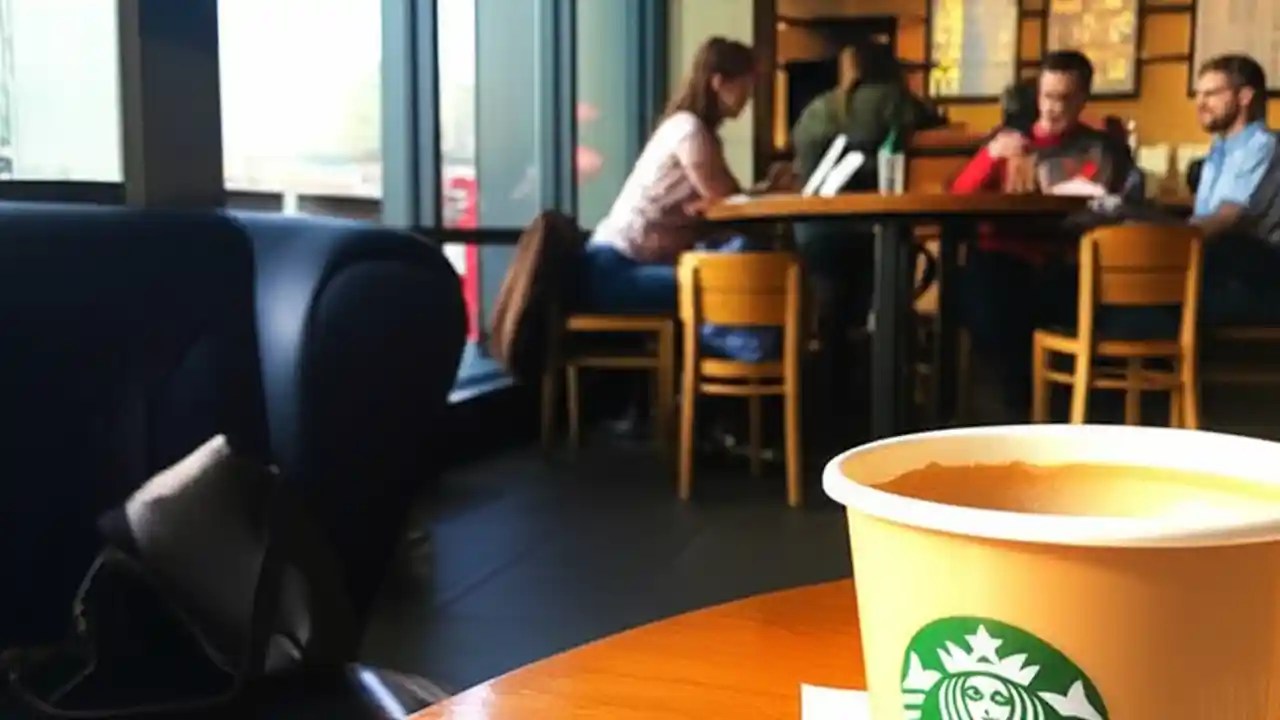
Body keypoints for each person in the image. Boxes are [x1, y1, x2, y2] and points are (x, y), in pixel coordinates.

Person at [951, 50, 1134, 418]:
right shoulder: (1008, 141)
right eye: (1047, 96)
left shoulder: (1100, 148)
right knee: (988, 286)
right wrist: (991, 155)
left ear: (1083, 100)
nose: (1053, 108)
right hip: (1004, 258)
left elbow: (1108, 204)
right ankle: (1014, 410)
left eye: (1065, 99)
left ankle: (1049, 411)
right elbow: (960, 197)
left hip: (1063, 262)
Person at [583, 37, 789, 314]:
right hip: (616, 269)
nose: (749, 97)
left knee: (738, 279)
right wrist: (765, 193)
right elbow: (726, 200)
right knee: (732, 285)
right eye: (746, 85)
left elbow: (723, 199)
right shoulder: (688, 130)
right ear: (718, 82)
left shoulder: (692, 130)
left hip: (628, 264)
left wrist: (762, 191)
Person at [789, 41, 944, 410]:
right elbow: (932, 120)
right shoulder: (892, 99)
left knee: (833, 316)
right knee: (891, 296)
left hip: (813, 233)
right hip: (870, 231)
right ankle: (888, 395)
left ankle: (833, 404)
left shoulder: (817, 108)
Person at [1188, 54, 1280, 325]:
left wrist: (1165, 240)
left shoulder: (1261, 145)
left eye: (1211, 94)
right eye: (1198, 94)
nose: (1200, 103)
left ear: (1244, 97)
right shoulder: (1218, 150)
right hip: (1224, 261)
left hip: (1260, 270)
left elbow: (1227, 219)